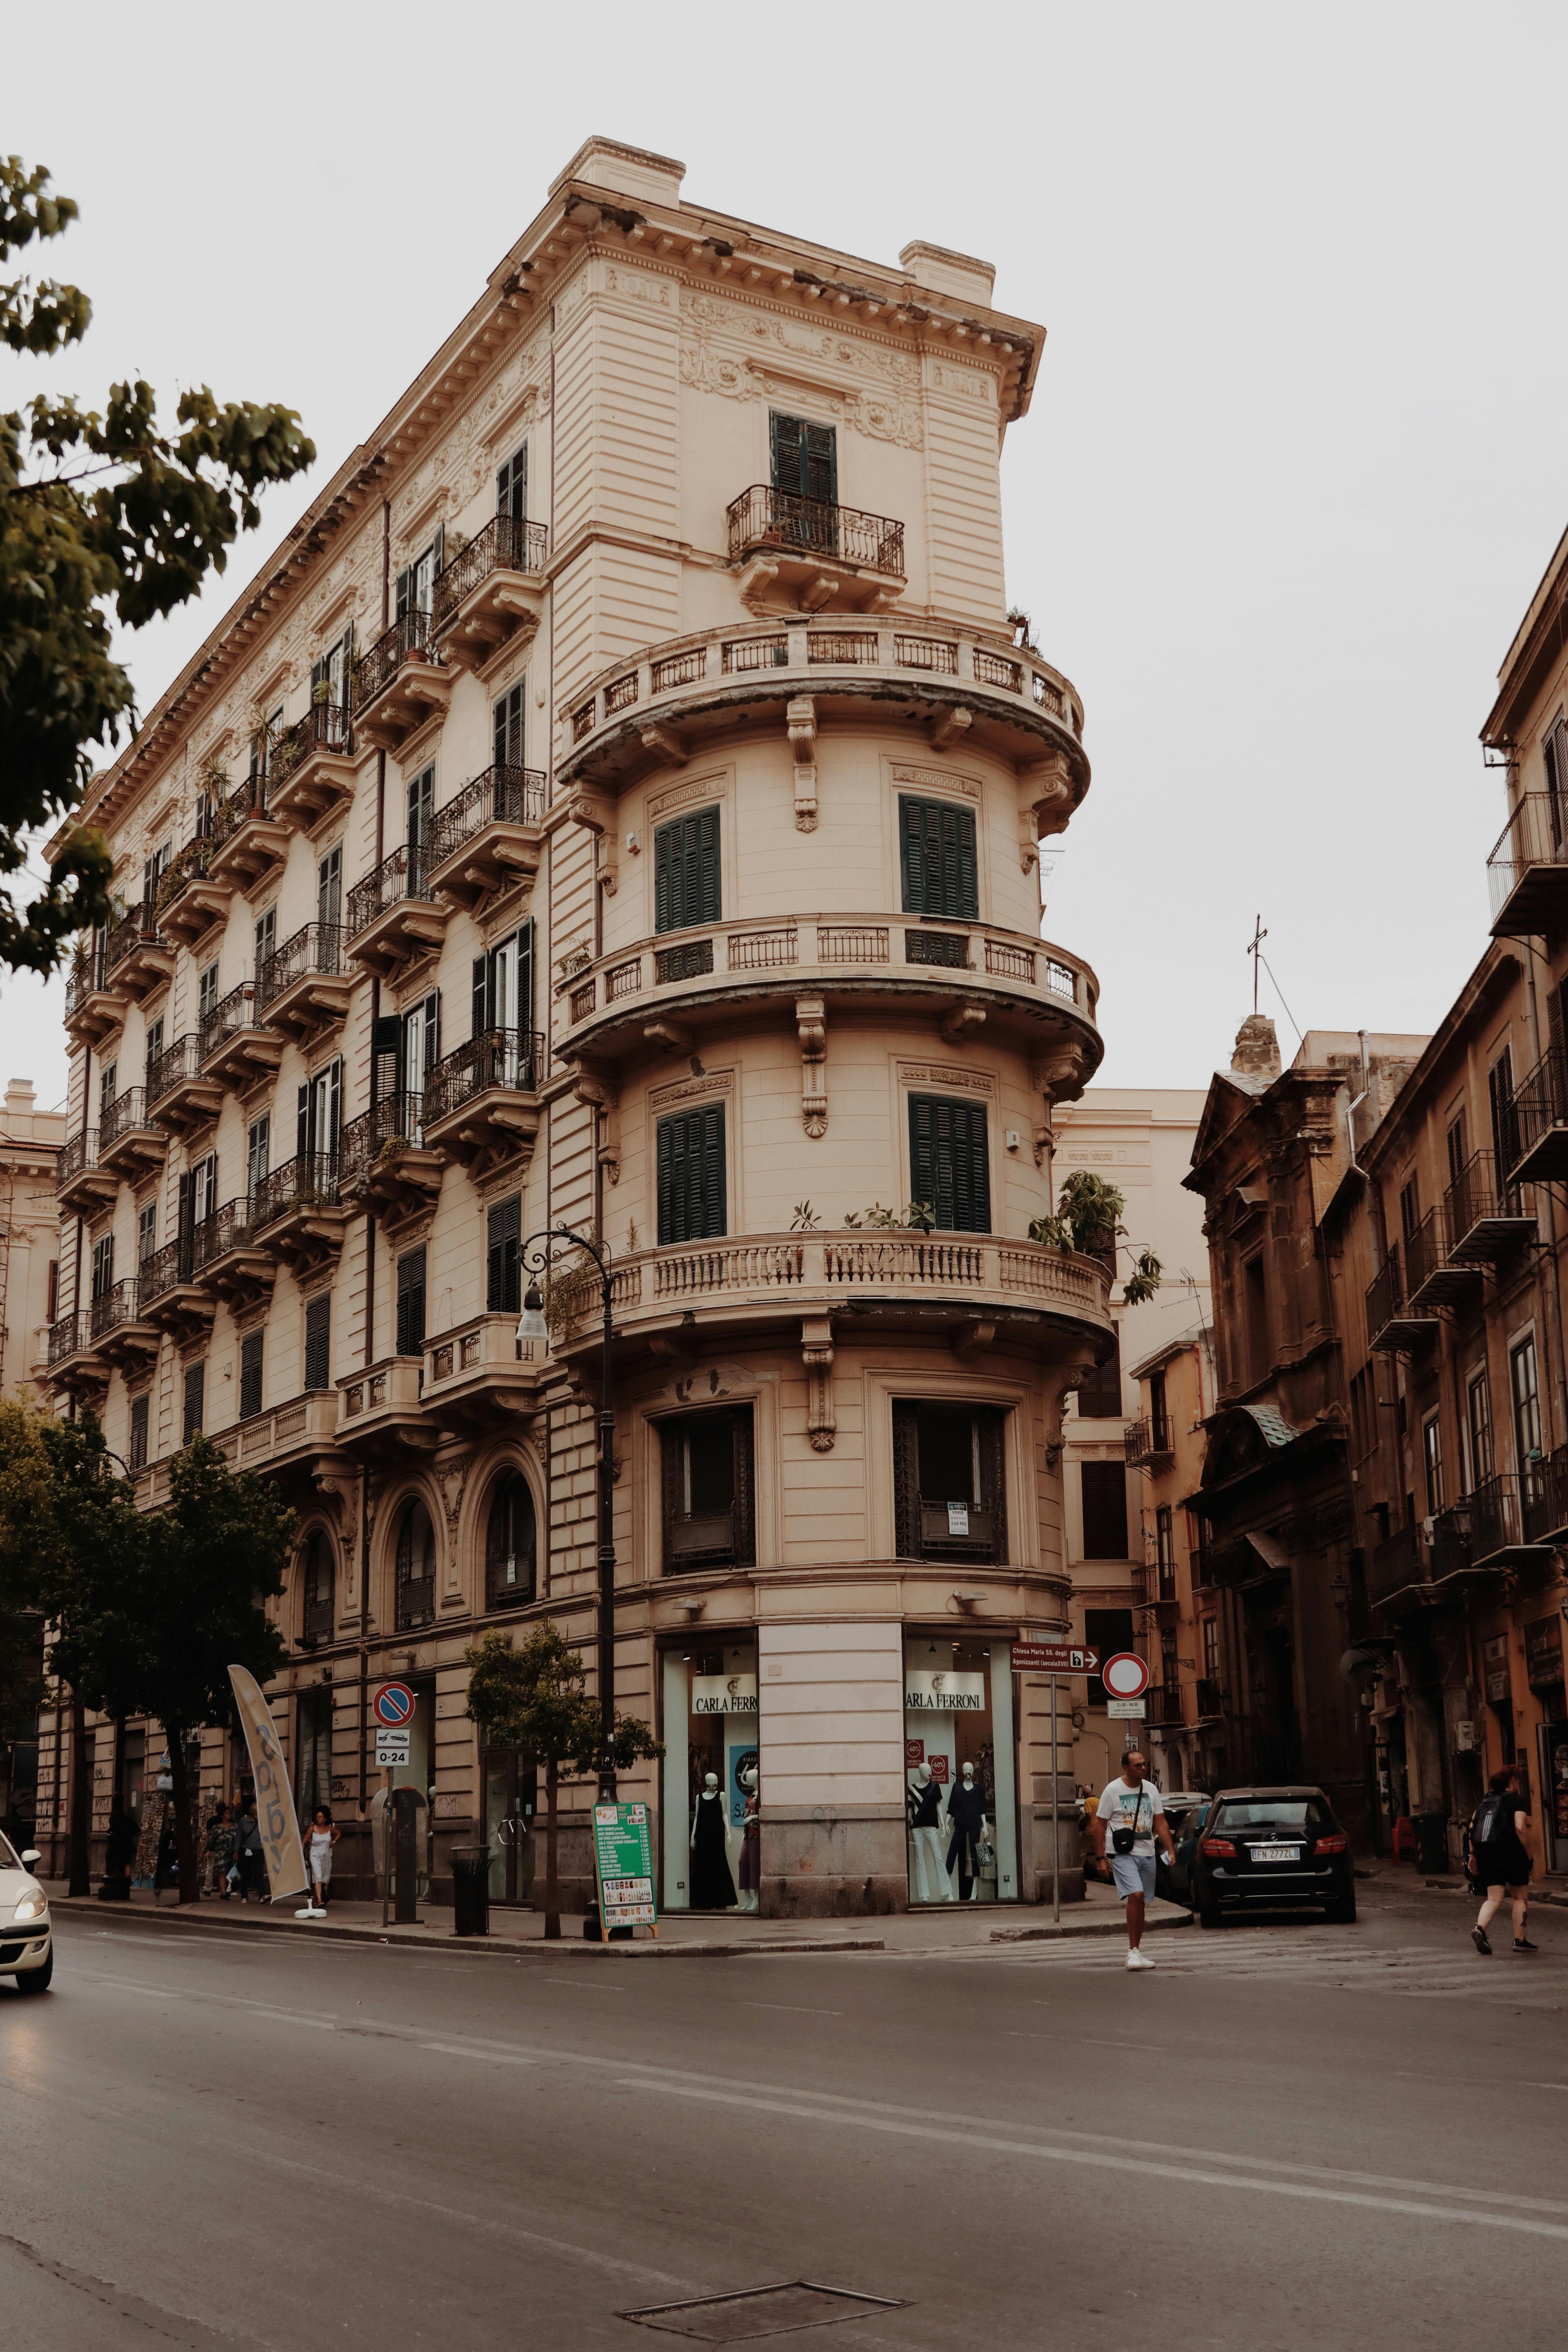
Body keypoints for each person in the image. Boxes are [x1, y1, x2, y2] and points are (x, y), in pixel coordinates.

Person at [1092, 1747, 1179, 1971]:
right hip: (1122, 1853)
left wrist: (1170, 1849)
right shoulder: (1112, 1790)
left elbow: (1160, 1822)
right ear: (1125, 1768)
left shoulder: (1150, 1790)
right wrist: (1100, 1857)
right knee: (1136, 1895)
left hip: (1147, 1852)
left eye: (1144, 1764)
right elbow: (1100, 1826)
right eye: (1137, 1765)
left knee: (1141, 1901)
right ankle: (1132, 1952)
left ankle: (1136, 1950)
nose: (1143, 1768)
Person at [1469, 1764, 1537, 1955]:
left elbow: (1473, 1828)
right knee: (1520, 1897)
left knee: (1493, 1898)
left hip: (1487, 1854)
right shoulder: (1517, 1801)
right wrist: (1529, 1855)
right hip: (1512, 1854)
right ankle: (1520, 1940)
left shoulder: (1485, 1802)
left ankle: (1480, 1928)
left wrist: (1473, 1855)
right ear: (1513, 1781)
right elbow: (1520, 1828)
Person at [303, 1806, 339, 1913]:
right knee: (318, 1877)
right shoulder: (312, 1829)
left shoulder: (329, 1829)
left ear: (325, 1819)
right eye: (317, 1817)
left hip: (326, 1857)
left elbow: (338, 1834)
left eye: (321, 1817)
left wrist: (334, 1842)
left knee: (323, 1879)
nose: (318, 1818)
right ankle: (320, 1901)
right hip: (315, 1855)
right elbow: (304, 1841)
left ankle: (315, 1901)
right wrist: (303, 1854)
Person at [207, 1805, 237, 1901]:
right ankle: (223, 1894)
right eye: (227, 1813)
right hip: (221, 1853)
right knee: (223, 1872)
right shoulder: (217, 1828)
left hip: (232, 1853)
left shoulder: (235, 1827)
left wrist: (237, 1851)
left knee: (229, 1872)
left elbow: (238, 1839)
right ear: (222, 1815)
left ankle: (226, 1891)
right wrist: (208, 1851)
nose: (229, 1815)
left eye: (230, 1813)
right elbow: (211, 1841)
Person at [236, 1803, 263, 1903]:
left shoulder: (261, 1822)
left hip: (259, 1850)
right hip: (246, 1850)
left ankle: (262, 1895)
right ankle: (244, 1895)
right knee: (245, 1873)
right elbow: (239, 1837)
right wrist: (236, 1851)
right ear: (253, 1813)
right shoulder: (243, 1822)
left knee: (259, 1872)